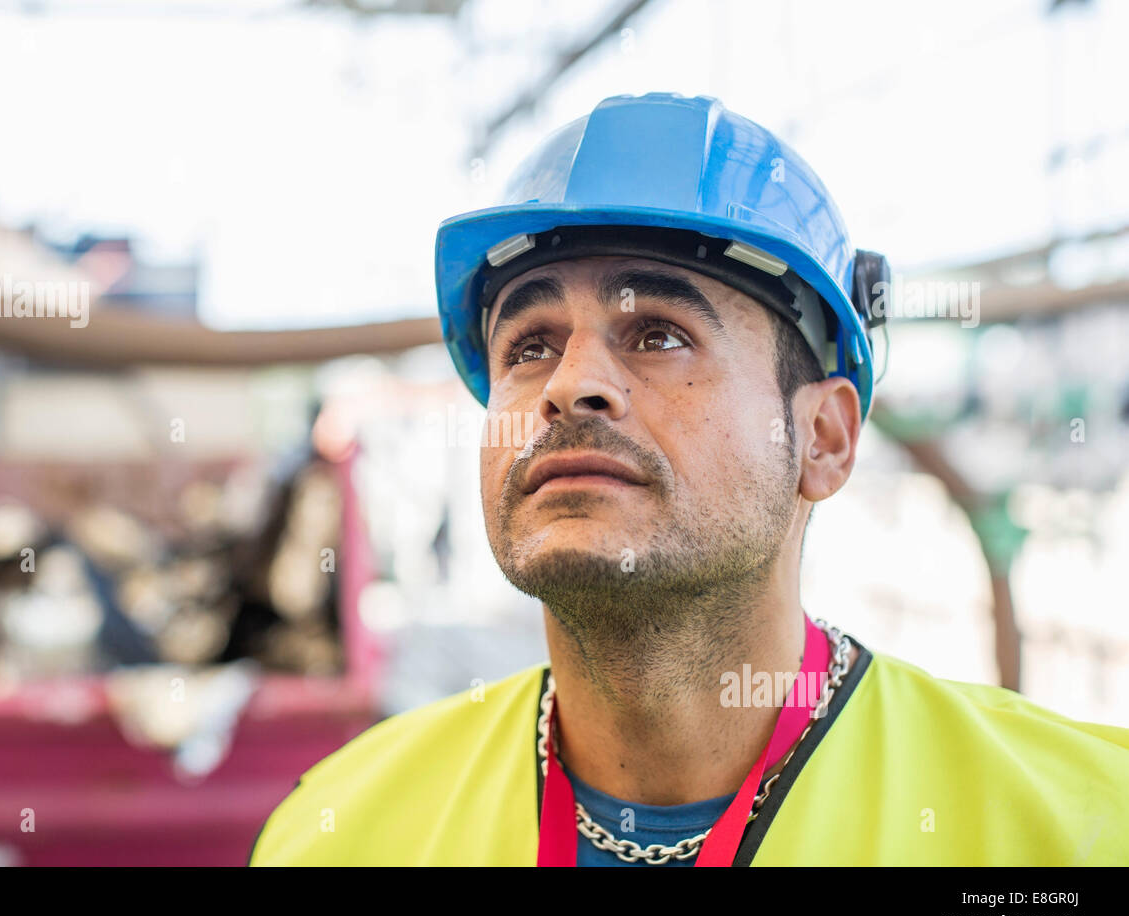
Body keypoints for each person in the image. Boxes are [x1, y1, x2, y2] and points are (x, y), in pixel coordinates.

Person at [250, 92, 1129, 865]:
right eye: (529, 346)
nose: (568, 386)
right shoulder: (341, 831)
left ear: (823, 438)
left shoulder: (1080, 830)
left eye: (659, 334)